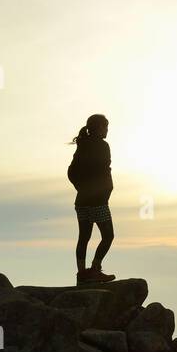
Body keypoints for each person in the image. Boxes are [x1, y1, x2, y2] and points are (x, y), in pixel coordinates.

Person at [68, 114, 116, 284]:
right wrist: (101, 190)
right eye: (105, 126)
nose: (107, 130)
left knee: (84, 237)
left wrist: (82, 188)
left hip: (82, 201)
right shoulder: (102, 146)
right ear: (98, 128)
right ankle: (95, 270)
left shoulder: (82, 146)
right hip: (98, 201)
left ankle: (82, 274)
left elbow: (71, 172)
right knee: (108, 236)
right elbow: (104, 169)